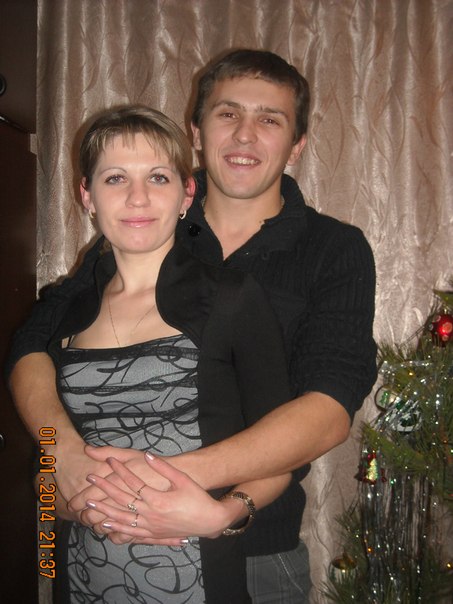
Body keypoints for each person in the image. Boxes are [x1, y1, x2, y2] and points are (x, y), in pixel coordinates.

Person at [7, 49, 377, 602]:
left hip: (256, 548)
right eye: (228, 114)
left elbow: (328, 409)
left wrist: (180, 487)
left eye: (269, 119)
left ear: (297, 144)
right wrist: (61, 458)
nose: (245, 135)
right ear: (197, 132)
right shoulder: (144, 224)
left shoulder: (333, 249)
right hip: (100, 548)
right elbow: (32, 343)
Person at [36, 104, 296, 603]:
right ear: (87, 195)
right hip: (79, 580)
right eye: (115, 178)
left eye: (157, 177)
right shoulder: (64, 311)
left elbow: (280, 454)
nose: (137, 197)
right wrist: (60, 505)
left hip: (197, 581)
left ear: (186, 194)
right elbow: (46, 454)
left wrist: (226, 513)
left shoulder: (232, 298)